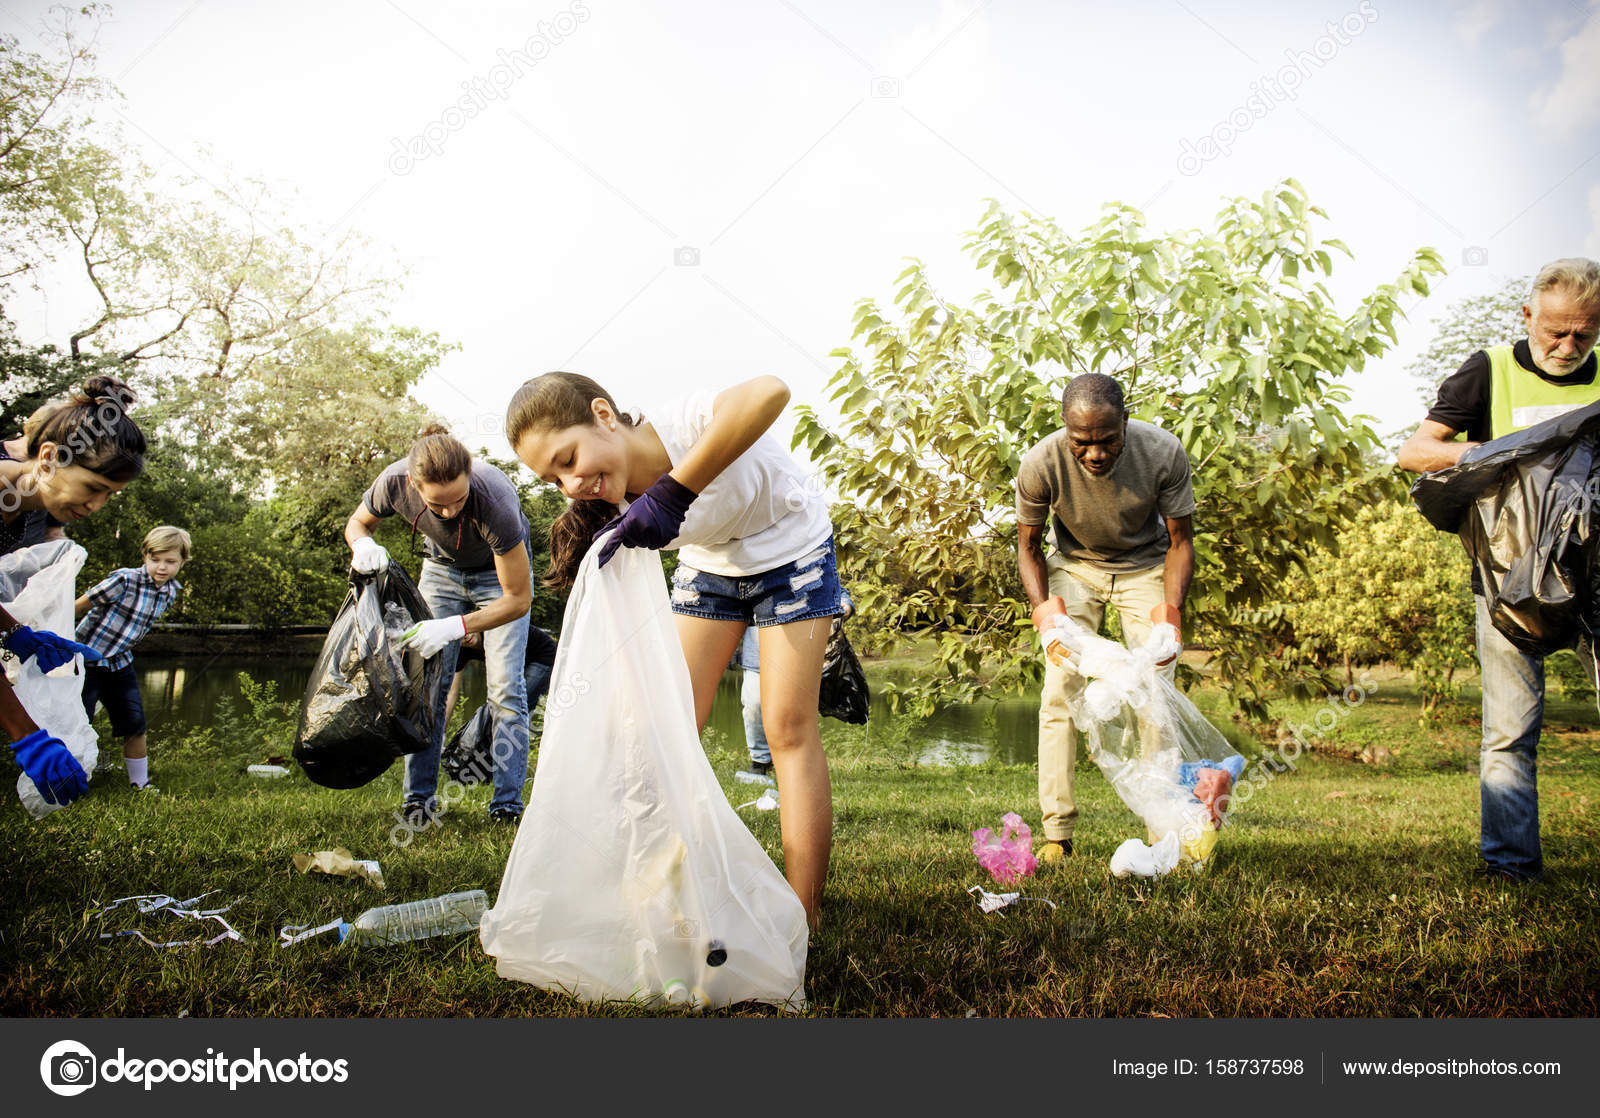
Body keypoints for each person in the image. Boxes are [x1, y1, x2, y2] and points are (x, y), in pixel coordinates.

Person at [507, 371, 840, 926]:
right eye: (553, 479)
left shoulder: (682, 419)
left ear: (604, 415)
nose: (570, 485)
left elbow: (770, 393)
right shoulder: (614, 506)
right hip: (711, 567)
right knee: (666, 724)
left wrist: (673, 490)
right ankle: (659, 888)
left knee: (786, 726)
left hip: (792, 549)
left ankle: (803, 914)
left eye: (568, 459)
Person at [1398, 258, 1600, 882]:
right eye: (1555, 332)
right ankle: (1511, 867)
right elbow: (1415, 452)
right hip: (1510, 583)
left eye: (1584, 335)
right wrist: (1498, 450)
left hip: (1595, 579)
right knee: (1510, 729)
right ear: (1528, 317)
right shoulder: (1491, 368)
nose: (1567, 346)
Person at [1016, 373, 1196, 865]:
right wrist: (1048, 617)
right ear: (1065, 430)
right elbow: (1028, 547)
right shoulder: (1040, 462)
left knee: (1155, 689)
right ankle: (1058, 833)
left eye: (1107, 440)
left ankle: (1161, 830)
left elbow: (1181, 543)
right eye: (1083, 442)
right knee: (1060, 688)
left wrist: (1170, 618)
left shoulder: (1163, 452)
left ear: (1125, 422)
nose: (1095, 453)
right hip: (1074, 567)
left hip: (1145, 567)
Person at [345, 425, 533, 826]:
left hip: (496, 577)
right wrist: (363, 545)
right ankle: (418, 803)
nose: (450, 513)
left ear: (469, 477)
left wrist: (454, 627)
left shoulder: (494, 499)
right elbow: (357, 524)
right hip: (439, 573)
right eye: (438, 505)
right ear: (414, 484)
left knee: (506, 692)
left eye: (458, 500)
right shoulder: (393, 482)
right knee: (427, 689)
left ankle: (506, 807)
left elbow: (518, 599)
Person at [0, 376, 146, 805]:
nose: (95, 506)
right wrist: (27, 737)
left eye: (109, 495)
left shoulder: (21, 509)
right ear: (47, 459)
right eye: (94, 488)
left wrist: (15, 634)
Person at [73, 525, 190, 791]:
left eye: (170, 561)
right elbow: (79, 606)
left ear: (182, 561)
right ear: (144, 556)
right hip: (85, 661)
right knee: (80, 721)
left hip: (119, 663)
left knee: (135, 722)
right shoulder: (124, 580)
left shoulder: (170, 591)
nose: (161, 567)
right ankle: (71, 781)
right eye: (155, 559)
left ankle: (140, 783)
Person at [735, 588, 853, 782]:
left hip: (795, 648)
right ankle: (760, 760)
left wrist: (845, 605)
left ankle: (795, 765)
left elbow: (830, 583)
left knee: (793, 711)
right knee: (753, 704)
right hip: (756, 648)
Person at [445, 623, 559, 726]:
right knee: (504, 707)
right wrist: (441, 732)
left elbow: (503, 678)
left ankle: (511, 744)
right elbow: (451, 692)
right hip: (520, 661)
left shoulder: (491, 631)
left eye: (466, 630)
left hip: (542, 655)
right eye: (458, 637)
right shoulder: (462, 651)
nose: (465, 637)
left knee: (517, 705)